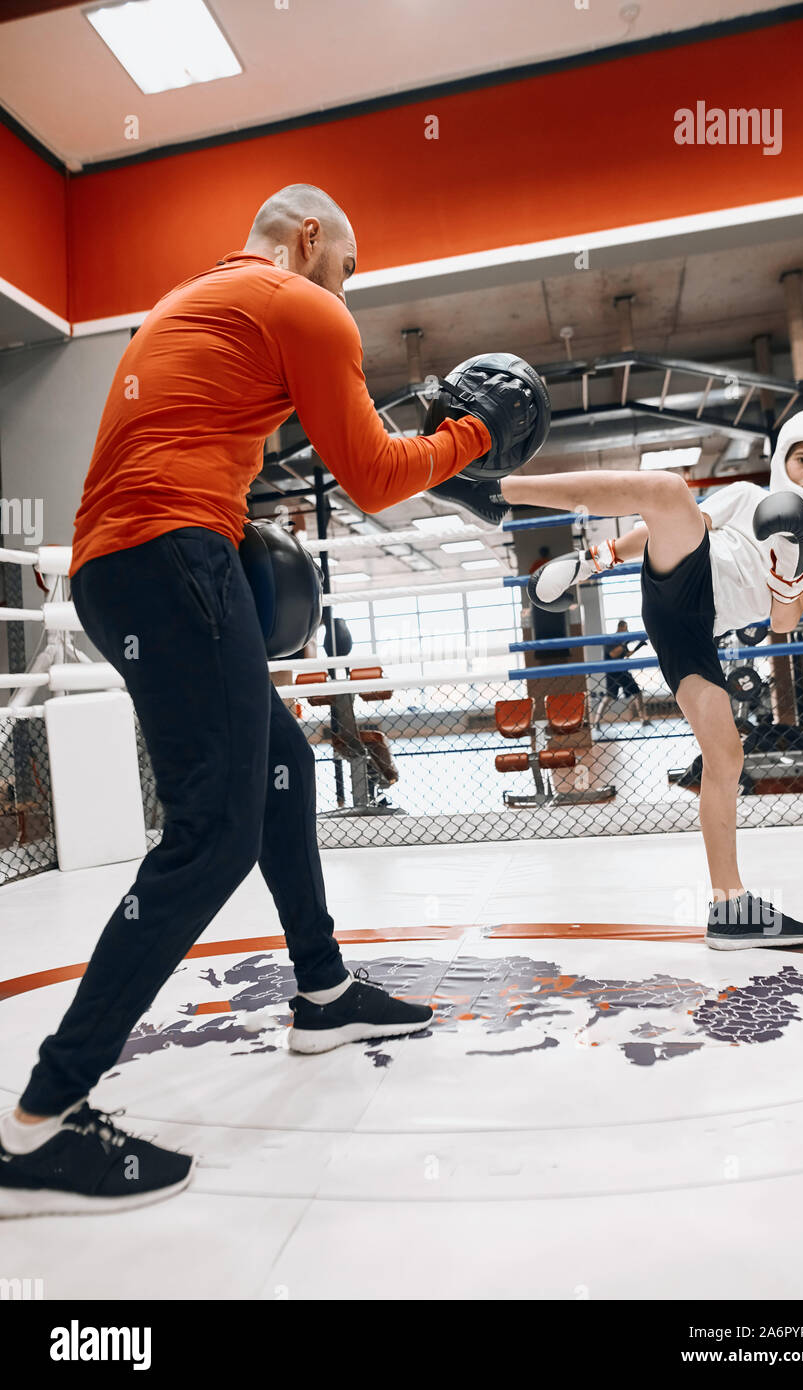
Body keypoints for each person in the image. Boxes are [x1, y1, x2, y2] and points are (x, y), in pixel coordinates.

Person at [0, 184, 497, 1217]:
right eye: (348, 268)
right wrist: (472, 437)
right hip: (170, 554)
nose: (347, 291)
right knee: (213, 832)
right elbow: (369, 474)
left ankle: (321, 994)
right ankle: (40, 1121)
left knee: (284, 765)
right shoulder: (300, 302)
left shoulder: (191, 302)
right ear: (310, 240)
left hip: (128, 564)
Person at [505, 403, 803, 950]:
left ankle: (729, 906)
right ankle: (501, 489)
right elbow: (672, 526)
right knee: (671, 494)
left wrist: (788, 574)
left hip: (691, 632)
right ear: (784, 456)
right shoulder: (746, 496)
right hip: (686, 575)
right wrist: (596, 561)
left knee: (727, 757)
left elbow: (782, 625)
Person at [592, 619, 651, 729]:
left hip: (623, 671)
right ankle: (596, 721)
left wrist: (639, 645)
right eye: (625, 628)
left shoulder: (623, 640)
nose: (626, 630)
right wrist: (625, 642)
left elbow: (627, 654)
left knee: (638, 693)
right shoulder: (611, 640)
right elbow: (614, 654)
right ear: (620, 628)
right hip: (612, 673)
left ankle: (643, 719)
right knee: (608, 697)